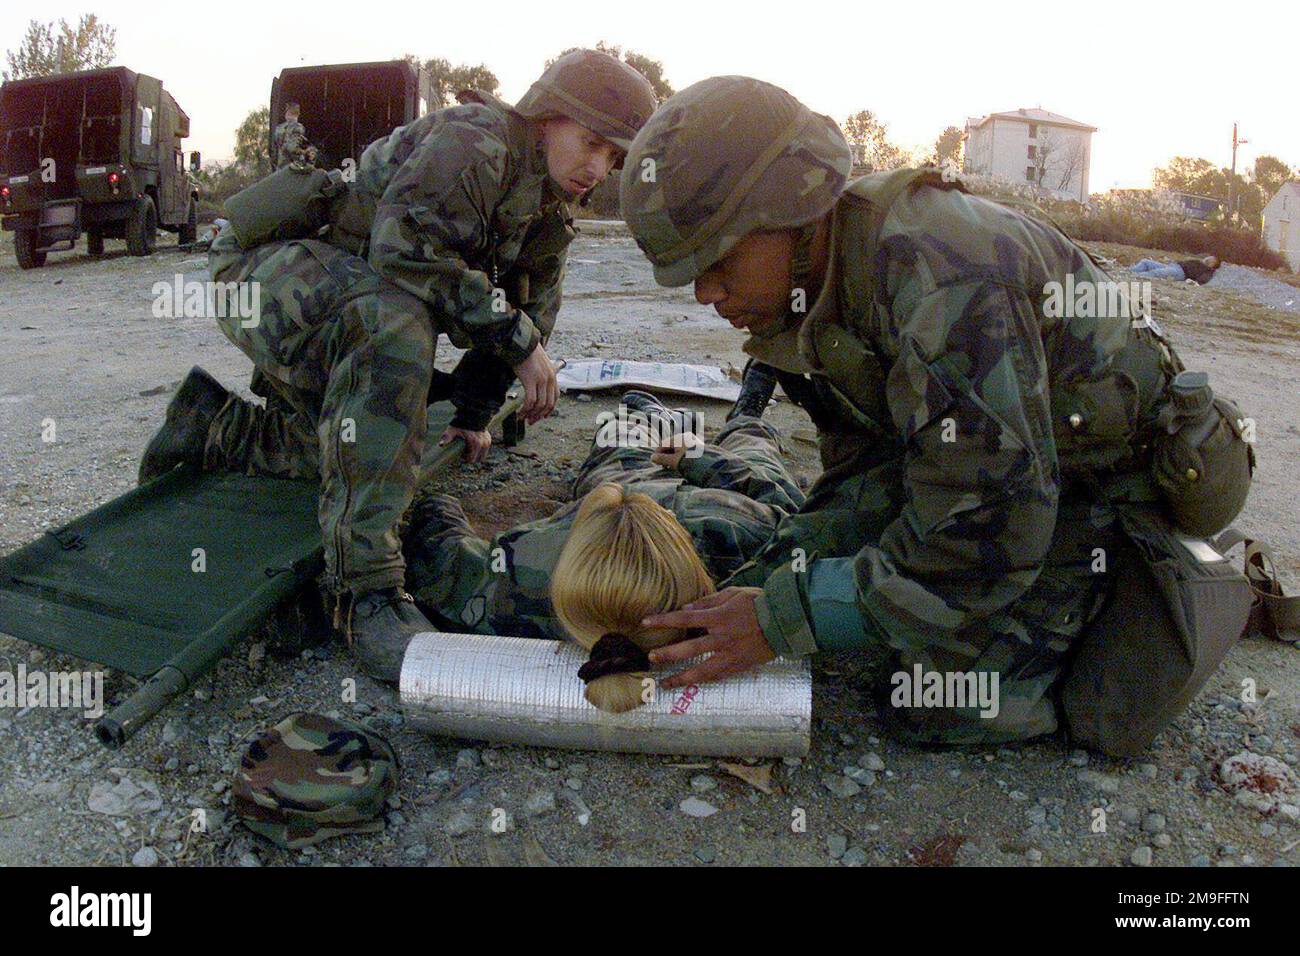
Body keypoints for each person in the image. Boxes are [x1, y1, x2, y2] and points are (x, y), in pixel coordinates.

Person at [618, 76, 1249, 746]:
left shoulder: (944, 281)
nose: (705, 294)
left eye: (717, 261)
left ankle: (1170, 579)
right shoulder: (820, 284)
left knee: (947, 703)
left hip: (1105, 483)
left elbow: (989, 536)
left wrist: (782, 619)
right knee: (824, 582)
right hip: (1006, 462)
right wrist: (768, 583)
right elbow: (865, 468)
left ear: (793, 214)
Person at [137, 51, 658, 682]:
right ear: (547, 118)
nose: (597, 169)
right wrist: (519, 343)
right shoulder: (476, 140)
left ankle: (214, 429)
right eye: (592, 143)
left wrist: (472, 412)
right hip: (261, 272)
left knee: (361, 452)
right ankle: (364, 595)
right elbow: (403, 250)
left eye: (614, 158)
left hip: (339, 298)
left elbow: (531, 314)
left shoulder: (548, 214)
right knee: (395, 330)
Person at [401, 387, 805, 697]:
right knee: (752, 451)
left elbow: (438, 547)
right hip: (701, 499)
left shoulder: (526, 570)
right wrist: (699, 459)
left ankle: (699, 417)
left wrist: (436, 502)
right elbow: (793, 509)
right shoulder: (752, 542)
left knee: (623, 447)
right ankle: (734, 415)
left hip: (625, 497)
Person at [272, 102, 316, 169]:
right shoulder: (297, 127)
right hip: (293, 169)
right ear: (298, 114)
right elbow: (292, 148)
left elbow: (273, 152)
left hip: (280, 168)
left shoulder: (279, 128)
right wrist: (306, 152)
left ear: (286, 113)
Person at [1130, 254, 1220, 284]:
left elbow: (1202, 280)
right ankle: (1127, 273)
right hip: (1173, 266)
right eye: (1210, 257)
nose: (1209, 259)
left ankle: (1134, 277)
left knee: (1156, 273)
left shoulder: (1208, 271)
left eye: (1212, 260)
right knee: (1146, 262)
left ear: (1213, 266)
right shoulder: (1198, 262)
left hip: (1180, 273)